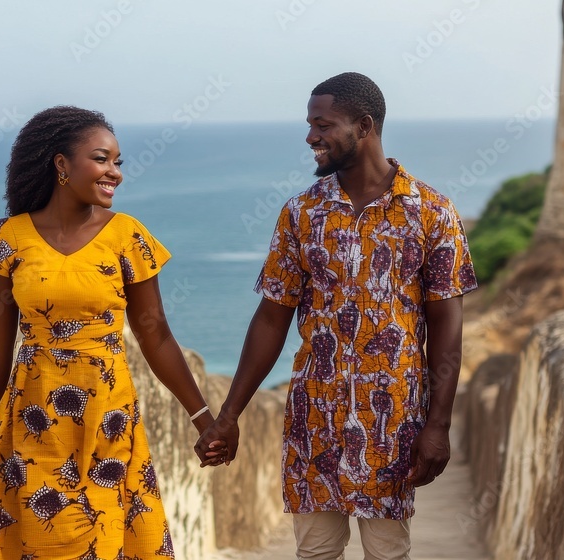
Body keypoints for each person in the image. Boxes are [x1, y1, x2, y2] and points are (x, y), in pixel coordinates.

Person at [196, 73, 478, 559]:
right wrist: (228, 415)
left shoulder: (431, 212)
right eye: (310, 125)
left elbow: (446, 328)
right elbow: (271, 318)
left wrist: (438, 424)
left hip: (392, 424)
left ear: (363, 126)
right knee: (316, 552)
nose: (311, 137)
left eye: (322, 125)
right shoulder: (301, 214)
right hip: (314, 419)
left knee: (388, 552)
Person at [0, 106, 222, 559]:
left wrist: (204, 417)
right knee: (32, 536)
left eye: (118, 162)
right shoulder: (8, 239)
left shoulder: (128, 237)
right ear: (61, 165)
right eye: (102, 159)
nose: (115, 173)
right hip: (32, 419)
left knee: (101, 533)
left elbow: (157, 336)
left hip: (107, 418)